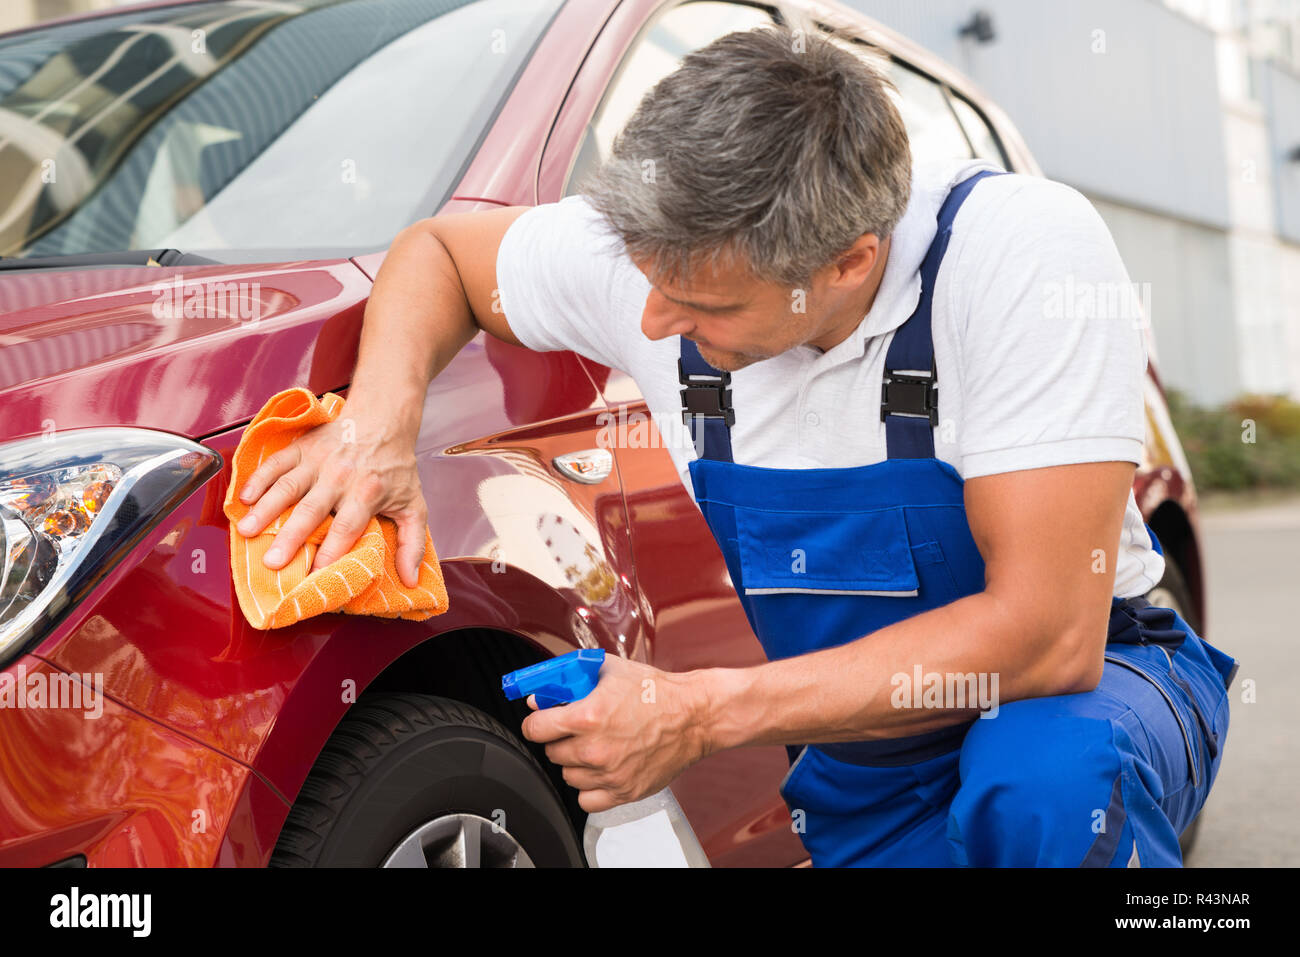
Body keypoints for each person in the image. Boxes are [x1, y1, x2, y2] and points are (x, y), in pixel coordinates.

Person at [234, 24, 1237, 866]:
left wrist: (701, 714)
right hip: (868, 737)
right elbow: (439, 252)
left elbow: (1045, 636)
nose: (654, 323)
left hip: (1092, 684)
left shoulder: (1017, 251)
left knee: (1045, 786)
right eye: (644, 281)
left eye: (705, 304)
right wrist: (378, 423)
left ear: (849, 262)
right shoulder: (674, 253)